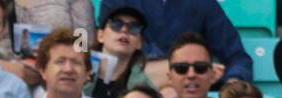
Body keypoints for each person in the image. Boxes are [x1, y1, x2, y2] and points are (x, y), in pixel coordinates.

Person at [98, 1, 249, 90]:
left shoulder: (203, 3)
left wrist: (233, 82)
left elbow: (237, 57)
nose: (124, 29)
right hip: (121, 83)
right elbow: (96, 44)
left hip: (183, 91)